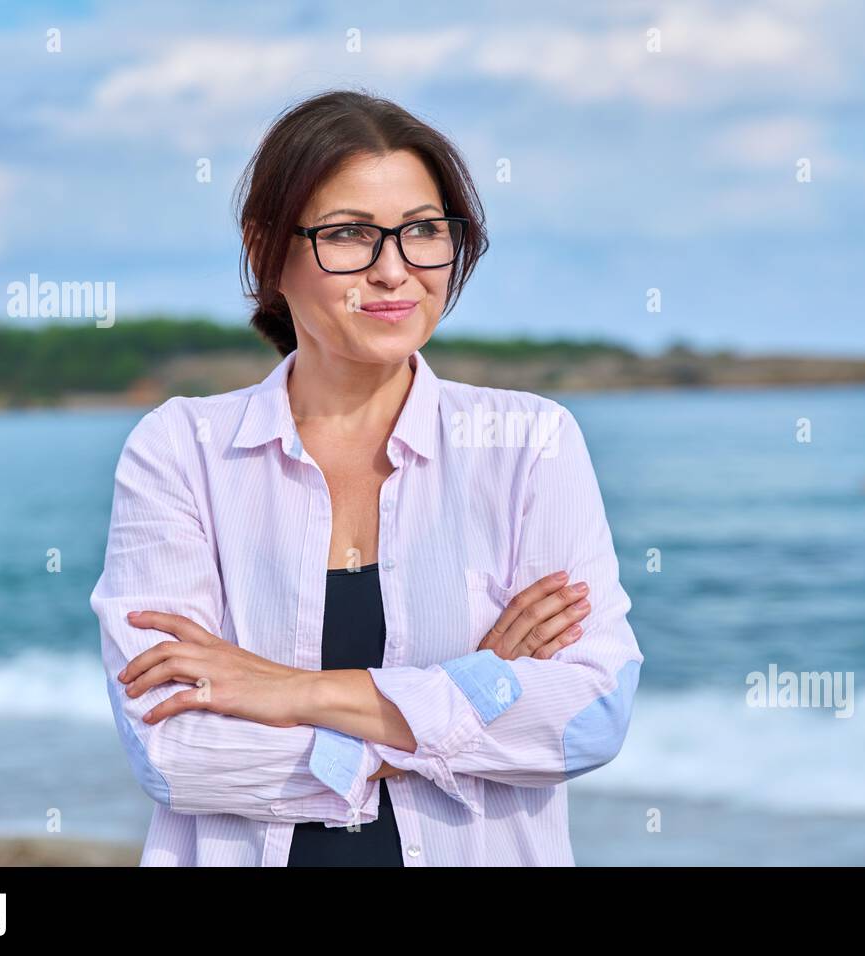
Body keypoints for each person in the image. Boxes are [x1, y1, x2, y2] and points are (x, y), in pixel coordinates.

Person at [90, 90, 643, 866]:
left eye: (423, 231)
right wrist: (467, 691)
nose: (394, 271)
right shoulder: (181, 449)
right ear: (265, 250)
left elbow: (588, 717)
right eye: (349, 235)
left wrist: (291, 691)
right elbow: (175, 752)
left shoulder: (529, 441)